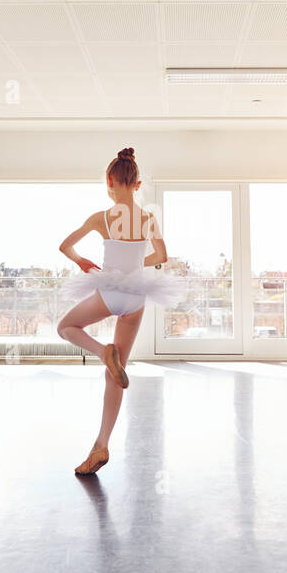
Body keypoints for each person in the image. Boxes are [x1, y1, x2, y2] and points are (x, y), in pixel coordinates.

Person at [56, 148, 184, 475]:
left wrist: (81, 261)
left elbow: (65, 246)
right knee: (117, 372)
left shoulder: (102, 218)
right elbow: (162, 256)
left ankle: (102, 352)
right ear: (137, 184)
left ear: (110, 181)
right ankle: (101, 444)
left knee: (67, 327)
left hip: (110, 291)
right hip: (137, 297)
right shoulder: (148, 219)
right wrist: (133, 265)